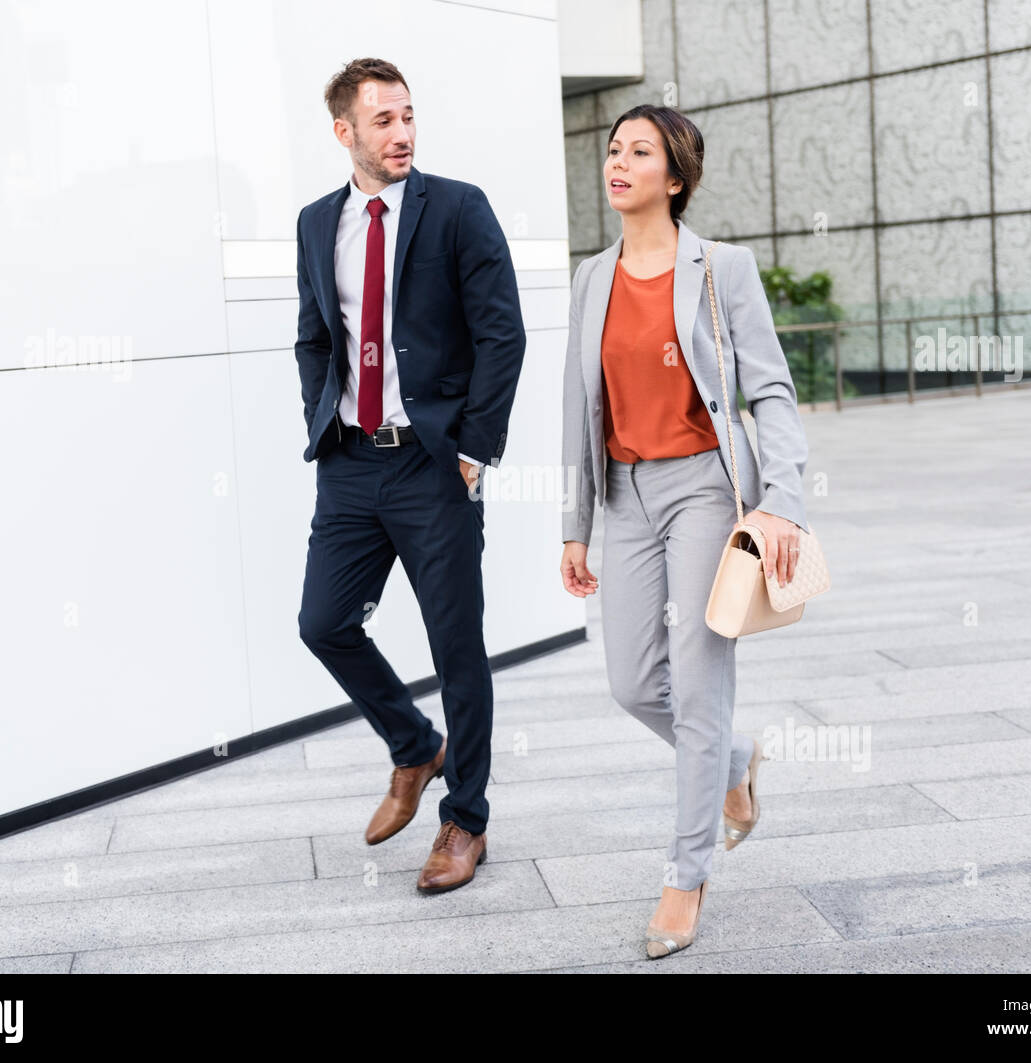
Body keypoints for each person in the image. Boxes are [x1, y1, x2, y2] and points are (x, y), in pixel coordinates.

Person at [559, 104, 810, 957]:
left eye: (640, 151)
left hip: (707, 487)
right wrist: (575, 522)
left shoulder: (720, 269)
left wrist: (782, 500)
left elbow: (769, 389)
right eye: (613, 149)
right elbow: (575, 406)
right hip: (624, 494)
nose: (618, 162)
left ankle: (685, 873)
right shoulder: (591, 277)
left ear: (675, 177)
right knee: (633, 683)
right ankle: (736, 757)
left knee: (701, 685)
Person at [295, 58, 525, 893]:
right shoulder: (317, 222)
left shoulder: (457, 208)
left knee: (456, 647)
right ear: (344, 133)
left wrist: (474, 448)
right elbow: (313, 337)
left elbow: (504, 334)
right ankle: (413, 745)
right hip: (352, 465)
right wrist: (322, 420)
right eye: (383, 120)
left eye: (408, 117)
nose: (402, 133)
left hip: (435, 468)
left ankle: (465, 818)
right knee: (323, 622)